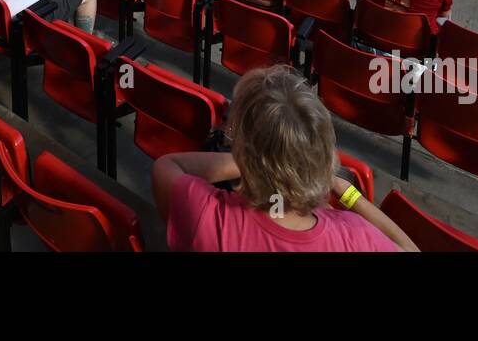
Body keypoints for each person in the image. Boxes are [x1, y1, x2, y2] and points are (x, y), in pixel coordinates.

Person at [153, 66, 414, 253]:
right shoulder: (354, 236)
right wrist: (347, 192)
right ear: (324, 157)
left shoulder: (204, 214)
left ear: (243, 154)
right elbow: (408, 248)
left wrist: (256, 161)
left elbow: (170, 164)